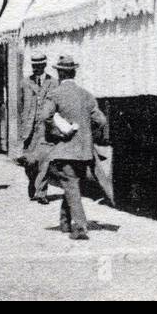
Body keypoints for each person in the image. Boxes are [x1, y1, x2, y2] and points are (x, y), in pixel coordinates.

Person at [39, 55, 109, 240]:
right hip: (84, 151)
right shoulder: (86, 95)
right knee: (73, 185)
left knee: (71, 186)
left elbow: (44, 116)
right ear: (74, 72)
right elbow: (101, 120)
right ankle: (64, 222)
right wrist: (87, 133)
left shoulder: (55, 94)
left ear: (59, 73)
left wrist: (60, 132)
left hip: (65, 150)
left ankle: (79, 227)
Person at [18, 53, 53, 203]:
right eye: (34, 66)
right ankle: (32, 181)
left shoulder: (54, 83)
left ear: (44, 65)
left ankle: (41, 192)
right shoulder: (25, 82)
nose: (36, 69)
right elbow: (20, 105)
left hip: (45, 129)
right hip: (29, 130)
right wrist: (24, 122)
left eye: (39, 66)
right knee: (30, 162)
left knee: (45, 161)